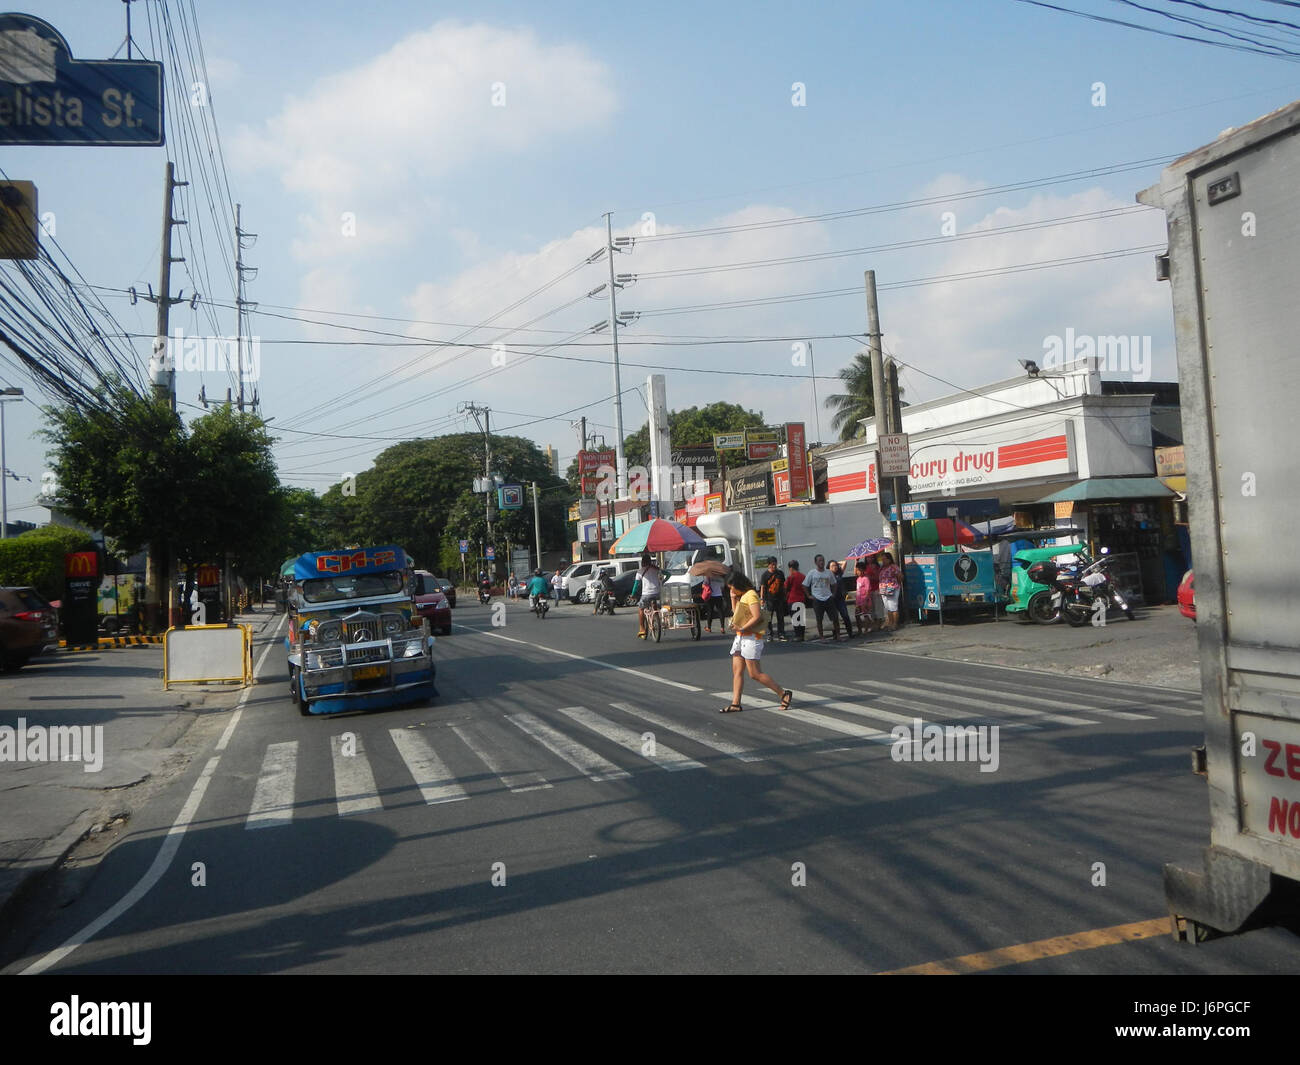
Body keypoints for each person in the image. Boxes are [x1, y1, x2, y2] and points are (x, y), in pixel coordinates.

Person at [721, 571, 792, 713]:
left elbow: (757, 617)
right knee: (737, 671)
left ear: (738, 584)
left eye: (732, 587)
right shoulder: (742, 596)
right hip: (741, 637)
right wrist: (733, 598)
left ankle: (783, 693)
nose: (731, 590)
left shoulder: (751, 595)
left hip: (751, 638)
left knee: (754, 673)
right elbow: (737, 615)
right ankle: (736, 703)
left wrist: (741, 627)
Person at [805, 554, 841, 641]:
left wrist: (833, 594)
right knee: (819, 619)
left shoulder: (828, 572)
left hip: (828, 598)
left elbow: (834, 584)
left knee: (835, 618)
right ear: (816, 562)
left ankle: (838, 636)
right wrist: (808, 595)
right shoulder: (812, 573)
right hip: (817, 599)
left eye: (823, 560)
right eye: (819, 561)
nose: (821, 562)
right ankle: (822, 637)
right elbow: (805, 585)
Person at [635, 551, 661, 639]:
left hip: (646, 594)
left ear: (642, 562)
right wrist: (662, 582)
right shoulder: (656, 569)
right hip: (657, 593)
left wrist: (632, 594)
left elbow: (636, 585)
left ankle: (642, 628)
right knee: (654, 603)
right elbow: (667, 574)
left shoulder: (640, 571)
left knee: (641, 609)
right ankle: (656, 615)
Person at [760, 558, 786, 641]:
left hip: (779, 599)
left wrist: (785, 596)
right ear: (769, 565)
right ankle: (769, 634)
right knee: (768, 618)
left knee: (780, 617)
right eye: (772, 564)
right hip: (769, 599)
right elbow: (762, 587)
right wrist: (762, 599)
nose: (774, 566)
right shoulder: (765, 575)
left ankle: (781, 633)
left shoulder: (780, 573)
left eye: (775, 564)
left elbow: (783, 585)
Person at [877, 552, 903, 631]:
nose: (883, 561)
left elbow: (900, 576)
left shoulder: (893, 567)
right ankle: (890, 623)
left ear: (889, 559)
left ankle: (895, 624)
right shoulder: (882, 568)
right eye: (882, 559)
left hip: (892, 588)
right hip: (883, 589)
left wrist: (896, 584)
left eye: (885, 559)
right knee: (887, 607)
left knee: (893, 607)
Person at [828, 560, 853, 640]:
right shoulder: (827, 576)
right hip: (832, 599)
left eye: (835, 565)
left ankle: (850, 632)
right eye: (832, 566)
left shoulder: (839, 573)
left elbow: (845, 562)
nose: (835, 567)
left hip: (840, 598)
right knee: (834, 617)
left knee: (845, 615)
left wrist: (836, 562)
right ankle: (835, 634)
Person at [785, 560, 807, 642]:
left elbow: (786, 588)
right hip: (801, 599)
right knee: (801, 618)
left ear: (790, 568)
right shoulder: (803, 576)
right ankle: (802, 635)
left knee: (795, 619)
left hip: (792, 600)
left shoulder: (791, 577)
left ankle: (798, 636)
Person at [854, 561, 874, 636]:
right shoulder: (858, 579)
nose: (858, 572)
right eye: (857, 570)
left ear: (863, 570)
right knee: (857, 615)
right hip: (858, 600)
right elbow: (857, 590)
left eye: (859, 570)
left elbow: (868, 590)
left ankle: (866, 629)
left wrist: (865, 601)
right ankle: (860, 630)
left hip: (865, 600)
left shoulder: (866, 579)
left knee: (865, 615)